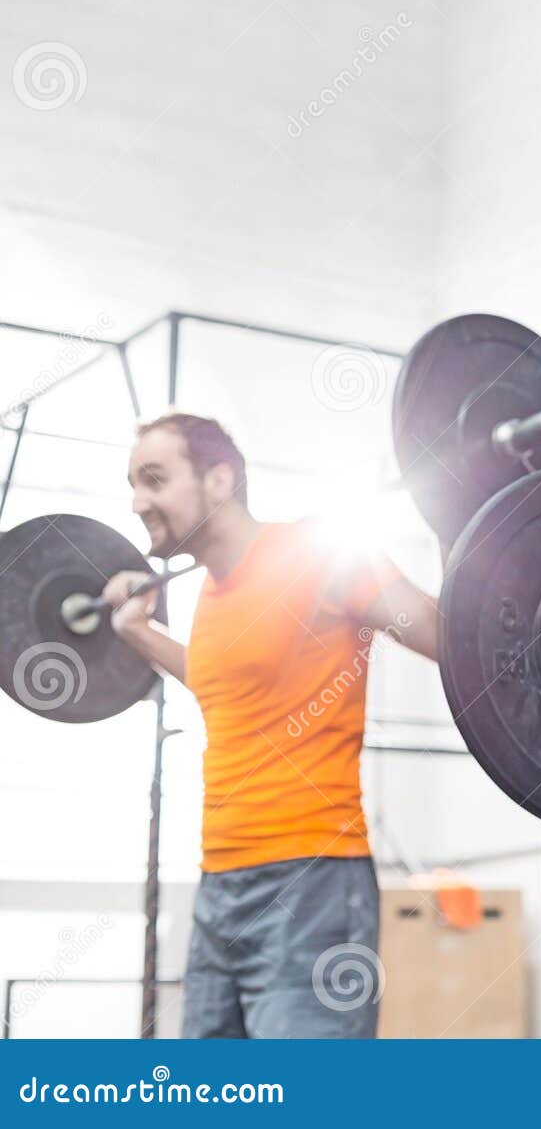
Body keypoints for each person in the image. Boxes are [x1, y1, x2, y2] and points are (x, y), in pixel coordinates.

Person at [102, 412, 440, 1038]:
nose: (136, 501)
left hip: (311, 881)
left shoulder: (321, 555)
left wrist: (463, 521)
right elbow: (220, 685)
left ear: (219, 479)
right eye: (132, 483)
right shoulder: (210, 591)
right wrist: (139, 633)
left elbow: (451, 637)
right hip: (220, 883)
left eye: (153, 479)